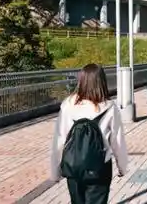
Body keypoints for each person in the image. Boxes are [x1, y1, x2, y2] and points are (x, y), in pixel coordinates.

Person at [51, 64, 129, 204]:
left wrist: (55, 171)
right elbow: (117, 141)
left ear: (81, 80)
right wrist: (122, 167)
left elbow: (60, 139)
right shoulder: (109, 107)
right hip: (100, 167)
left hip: (73, 166)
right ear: (102, 81)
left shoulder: (67, 105)